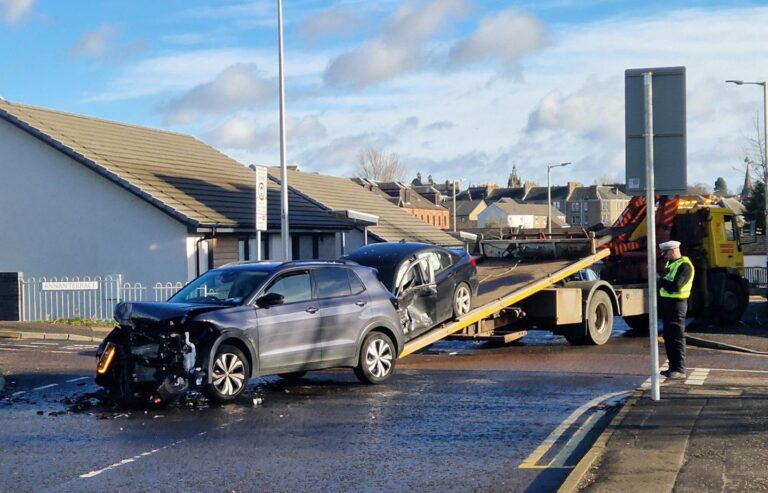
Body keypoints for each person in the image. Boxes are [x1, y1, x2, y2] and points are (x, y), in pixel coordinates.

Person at [657, 240, 695, 379]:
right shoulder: (671, 264)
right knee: (669, 337)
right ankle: (672, 368)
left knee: (677, 337)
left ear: (673, 251)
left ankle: (679, 369)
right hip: (669, 304)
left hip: (677, 305)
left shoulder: (685, 266)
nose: (664, 256)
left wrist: (661, 281)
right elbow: (665, 282)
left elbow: (676, 286)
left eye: (665, 253)